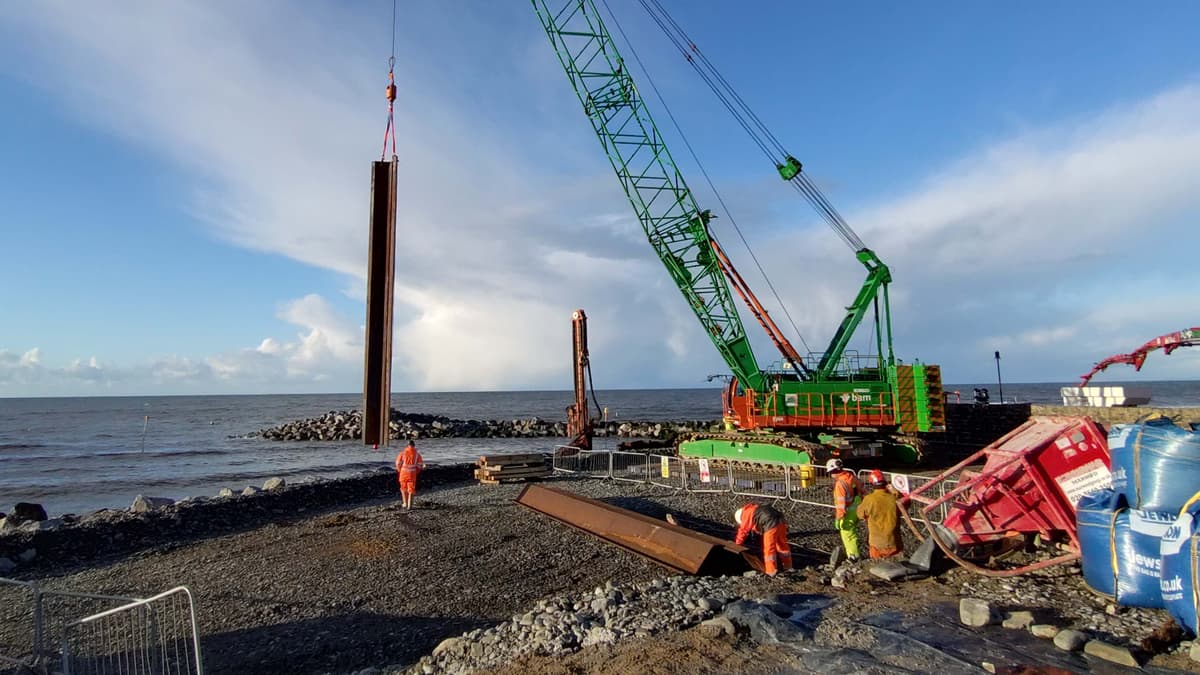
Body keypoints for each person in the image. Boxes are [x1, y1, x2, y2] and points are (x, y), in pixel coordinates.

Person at [733, 503, 792, 576]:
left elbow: (743, 530)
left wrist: (737, 544)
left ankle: (771, 570)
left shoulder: (746, 514)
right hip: (781, 521)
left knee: (769, 548)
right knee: (782, 544)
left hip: (770, 524)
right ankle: (788, 565)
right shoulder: (754, 509)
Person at [857, 469, 904, 559]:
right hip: (894, 542)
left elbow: (860, 514)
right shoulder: (894, 498)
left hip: (877, 544)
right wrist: (896, 492)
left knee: (877, 568)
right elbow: (906, 505)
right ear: (886, 483)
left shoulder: (870, 499)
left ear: (872, 484)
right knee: (897, 568)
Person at [827, 458, 864, 562]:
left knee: (848, 534)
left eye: (830, 473)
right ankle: (855, 554)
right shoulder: (851, 477)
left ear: (834, 472)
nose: (831, 476)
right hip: (857, 507)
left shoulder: (840, 484)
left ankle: (854, 557)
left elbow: (840, 505)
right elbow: (861, 491)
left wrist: (838, 518)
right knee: (853, 533)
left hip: (847, 512)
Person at [395, 440, 424, 510]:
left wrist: (399, 470)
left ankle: (405, 503)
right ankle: (410, 506)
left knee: (403, 488)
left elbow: (398, 463)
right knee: (411, 489)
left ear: (407, 445)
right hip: (412, 473)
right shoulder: (417, 454)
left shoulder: (403, 453)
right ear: (414, 446)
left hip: (403, 473)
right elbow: (420, 466)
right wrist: (416, 472)